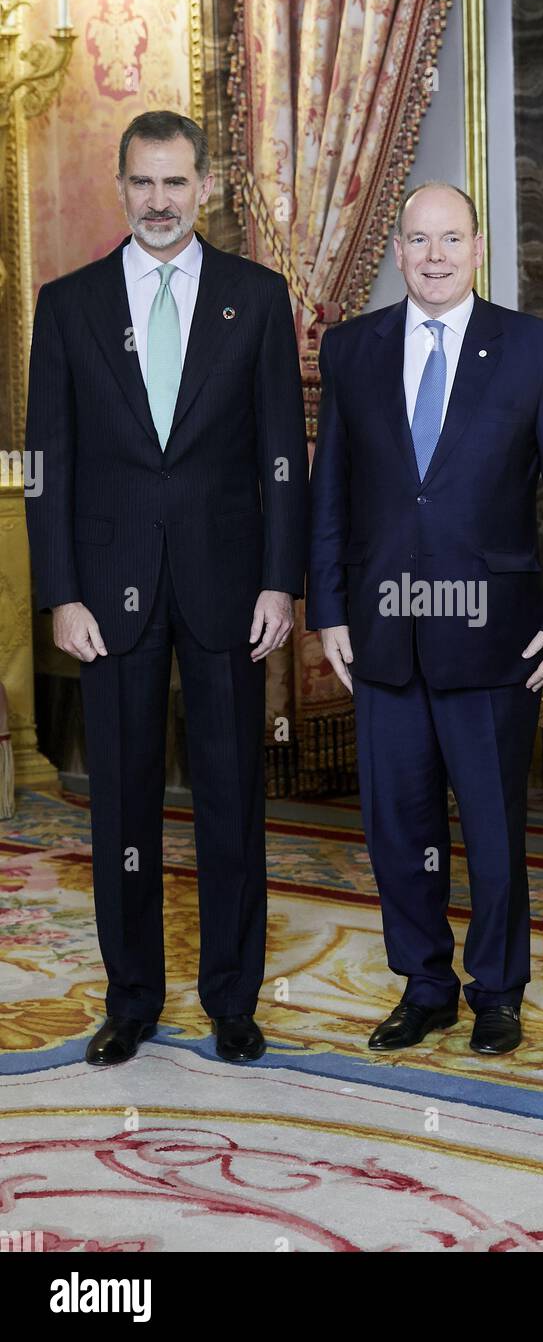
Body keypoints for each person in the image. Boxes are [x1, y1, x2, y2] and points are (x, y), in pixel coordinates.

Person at [24, 111, 309, 1066]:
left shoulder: (256, 298)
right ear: (121, 186)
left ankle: (233, 999)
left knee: (233, 800)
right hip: (108, 594)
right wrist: (61, 592)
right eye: (143, 183)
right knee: (123, 809)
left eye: (176, 183)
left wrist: (282, 581)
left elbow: (282, 450)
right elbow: (47, 466)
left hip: (230, 585)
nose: (159, 201)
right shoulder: (66, 307)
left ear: (205, 187)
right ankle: (130, 1001)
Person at [307, 181, 543, 1055]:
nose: (434, 255)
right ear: (397, 252)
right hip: (383, 626)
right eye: (418, 240)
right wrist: (328, 607)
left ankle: (499, 991)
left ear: (479, 248)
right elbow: (330, 493)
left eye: (451, 239)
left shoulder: (533, 348)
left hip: (495, 630)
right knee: (397, 824)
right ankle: (425, 984)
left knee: (494, 825)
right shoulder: (352, 349)